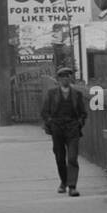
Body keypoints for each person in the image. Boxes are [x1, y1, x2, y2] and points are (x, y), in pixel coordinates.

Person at [40, 65, 86, 196]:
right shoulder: (52, 93)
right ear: (59, 79)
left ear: (70, 78)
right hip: (57, 128)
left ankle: (72, 186)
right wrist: (50, 123)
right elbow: (44, 112)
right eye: (63, 77)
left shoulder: (77, 94)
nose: (66, 79)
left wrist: (79, 124)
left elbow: (83, 113)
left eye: (68, 76)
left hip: (72, 129)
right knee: (60, 158)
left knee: (72, 158)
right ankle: (63, 182)